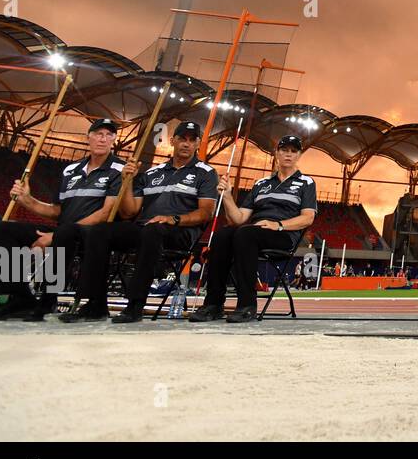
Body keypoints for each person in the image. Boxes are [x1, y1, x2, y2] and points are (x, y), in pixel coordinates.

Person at [61, 121, 217, 324]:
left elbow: (206, 212)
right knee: (99, 231)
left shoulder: (205, 173)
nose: (186, 144)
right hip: (144, 228)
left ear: (198, 144)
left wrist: (174, 219)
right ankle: (95, 304)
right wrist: (127, 182)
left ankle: (135, 305)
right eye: (182, 139)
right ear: (173, 141)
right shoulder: (153, 173)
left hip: (179, 231)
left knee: (153, 231)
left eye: (192, 140)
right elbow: (129, 212)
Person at [0, 118, 125, 321]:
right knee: (0, 230)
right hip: (63, 229)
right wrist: (27, 200)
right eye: (98, 134)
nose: (103, 139)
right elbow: (58, 211)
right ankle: (19, 298)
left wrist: (55, 234)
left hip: (94, 234)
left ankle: (48, 300)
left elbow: (106, 213)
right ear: (89, 138)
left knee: (65, 233)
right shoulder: (70, 170)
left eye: (108, 135)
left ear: (114, 140)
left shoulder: (120, 169)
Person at [189, 134, 316, 323]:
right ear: (276, 153)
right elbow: (239, 218)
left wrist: (278, 225)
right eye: (284, 150)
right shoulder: (261, 184)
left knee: (245, 234)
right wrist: (228, 196)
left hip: (283, 235)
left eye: (293, 151)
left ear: (299, 155)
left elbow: (308, 218)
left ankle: (247, 305)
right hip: (253, 232)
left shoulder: (306, 183)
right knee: (223, 235)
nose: (288, 155)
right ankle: (213, 304)